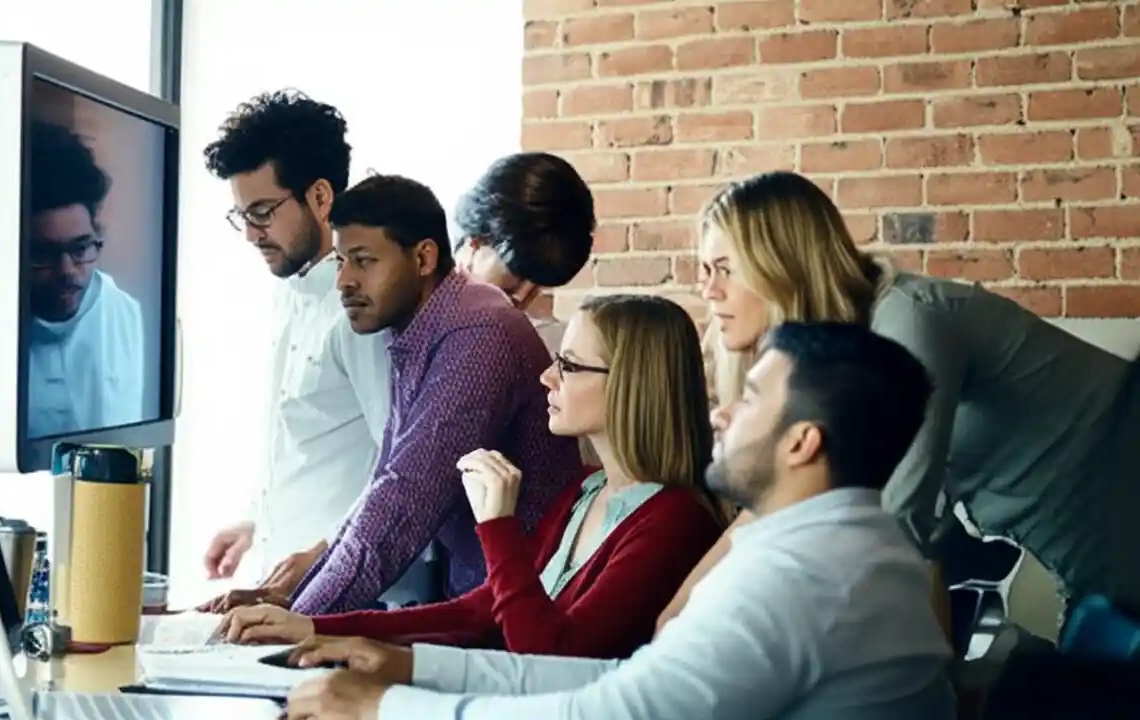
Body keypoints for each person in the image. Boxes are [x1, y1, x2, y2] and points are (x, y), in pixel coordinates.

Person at [280, 322, 956, 720]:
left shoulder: (800, 576)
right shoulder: (854, 547)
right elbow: (625, 683)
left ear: (802, 442)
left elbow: (608, 714)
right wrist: (411, 666)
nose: (722, 413)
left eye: (748, 399)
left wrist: (383, 707)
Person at [671, 170, 1140, 628]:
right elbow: (774, 507)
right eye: (704, 270)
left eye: (724, 269)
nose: (708, 289)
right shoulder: (826, 356)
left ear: (782, 263)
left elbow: (895, 518)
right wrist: (676, 612)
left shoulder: (908, 322)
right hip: (1068, 537)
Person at [216, 294, 725, 659]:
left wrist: (497, 524)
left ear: (631, 387)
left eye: (568, 365)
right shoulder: (587, 489)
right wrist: (312, 625)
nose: (548, 376)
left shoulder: (673, 520)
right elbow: (478, 612)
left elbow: (550, 654)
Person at [267, 173, 582, 616]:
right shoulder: (420, 329)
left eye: (363, 260)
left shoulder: (477, 334)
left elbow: (403, 504)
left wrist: (293, 622)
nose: (344, 281)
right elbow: (386, 484)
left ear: (423, 257)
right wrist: (291, 598)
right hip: (478, 602)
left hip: (524, 615)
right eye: (340, 261)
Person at [197, 90, 391, 597]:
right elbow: (301, 442)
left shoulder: (361, 310)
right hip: (280, 583)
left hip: (339, 588)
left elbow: (399, 467)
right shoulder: (289, 289)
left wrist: (327, 549)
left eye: (262, 211)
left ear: (321, 198)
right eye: (242, 215)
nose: (251, 234)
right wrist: (253, 521)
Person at [27, 119, 146, 440]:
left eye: (81, 248)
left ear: (97, 234)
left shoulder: (128, 318)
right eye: (43, 253)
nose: (67, 270)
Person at [453, 152, 595, 356]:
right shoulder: (403, 319)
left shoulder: (546, 347)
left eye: (538, 285)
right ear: (476, 241)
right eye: (515, 279)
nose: (521, 297)